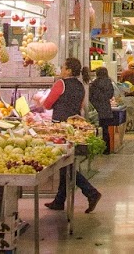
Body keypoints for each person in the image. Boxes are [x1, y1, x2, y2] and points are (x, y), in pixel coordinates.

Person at [43, 59, 101, 213]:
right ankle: (59, 200)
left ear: (68, 70)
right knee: (65, 164)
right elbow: (81, 106)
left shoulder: (61, 84)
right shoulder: (80, 85)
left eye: (63, 67)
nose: (61, 69)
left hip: (59, 129)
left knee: (66, 165)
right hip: (74, 128)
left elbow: (47, 104)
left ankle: (91, 192)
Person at [88, 64, 117, 138]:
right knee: (105, 130)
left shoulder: (94, 84)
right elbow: (111, 95)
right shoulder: (109, 82)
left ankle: (99, 143)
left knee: (97, 129)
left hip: (96, 110)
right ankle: (107, 144)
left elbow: (90, 97)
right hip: (106, 109)